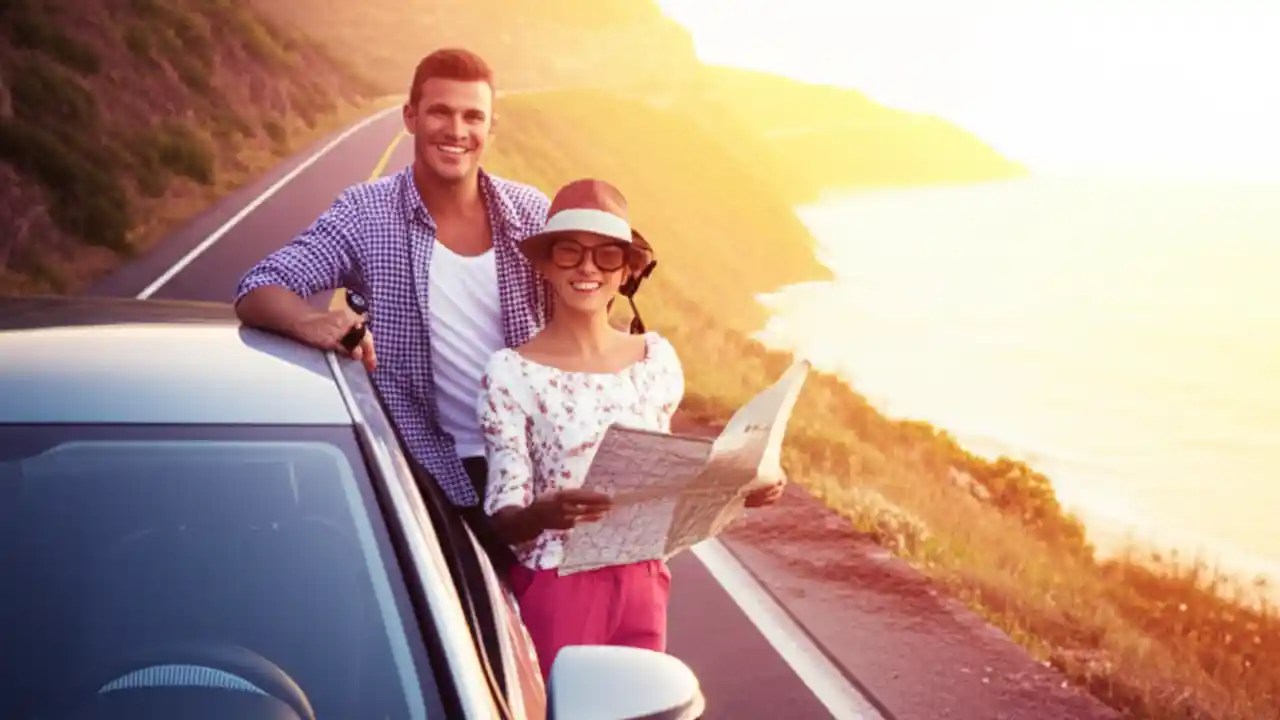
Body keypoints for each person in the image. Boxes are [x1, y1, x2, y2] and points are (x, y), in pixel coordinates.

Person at [232, 48, 551, 562]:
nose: (456, 129)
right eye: (440, 112)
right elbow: (259, 287)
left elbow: (589, 325)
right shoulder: (366, 212)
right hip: (424, 471)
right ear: (411, 116)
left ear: (491, 128)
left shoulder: (532, 213)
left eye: (473, 116)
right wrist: (310, 320)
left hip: (534, 465)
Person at [476, 178, 784, 680]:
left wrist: (743, 488)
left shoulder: (656, 361)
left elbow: (670, 486)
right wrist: (543, 513)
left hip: (644, 577)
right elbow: (502, 516)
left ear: (627, 273)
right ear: (546, 264)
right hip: (559, 581)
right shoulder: (511, 372)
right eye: (570, 252)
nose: (587, 268)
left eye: (606, 257)